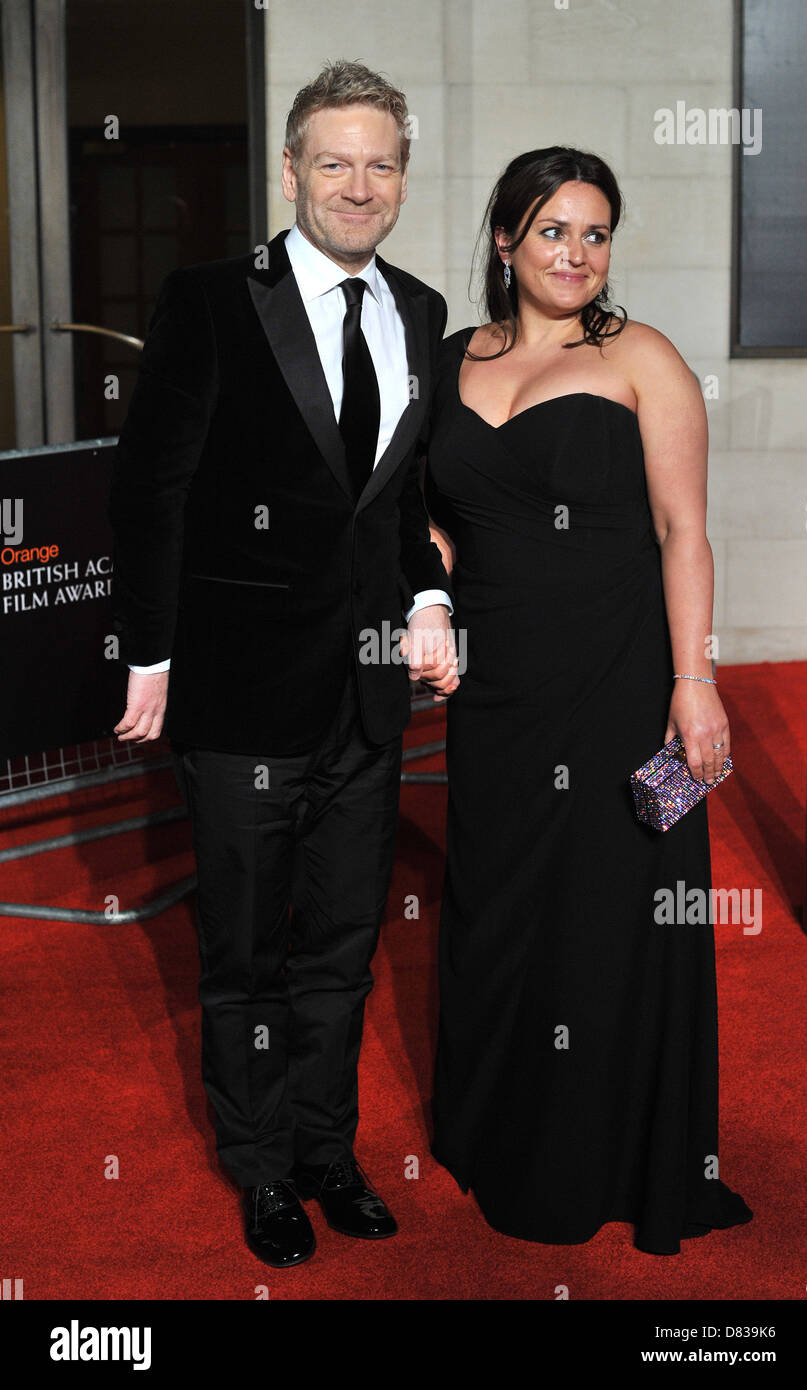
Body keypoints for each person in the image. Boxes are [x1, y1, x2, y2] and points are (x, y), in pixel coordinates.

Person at [107, 60, 459, 1269]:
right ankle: (261, 1172)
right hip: (240, 694)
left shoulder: (417, 310)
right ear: (292, 169)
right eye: (334, 161)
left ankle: (325, 1151)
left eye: (380, 164)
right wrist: (148, 652)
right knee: (246, 956)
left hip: (366, 700)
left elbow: (401, 498)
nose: (357, 186)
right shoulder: (210, 298)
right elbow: (149, 490)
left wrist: (425, 593)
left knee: (343, 949)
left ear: (402, 179)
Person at [425, 146, 753, 1256]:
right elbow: (435, 518)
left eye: (596, 232)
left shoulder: (642, 357)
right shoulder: (447, 359)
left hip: (618, 683)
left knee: (607, 917)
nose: (576, 253)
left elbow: (682, 532)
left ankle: (604, 1156)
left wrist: (694, 680)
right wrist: (426, 603)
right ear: (506, 238)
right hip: (498, 691)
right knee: (497, 908)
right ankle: (498, 1129)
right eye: (553, 229)